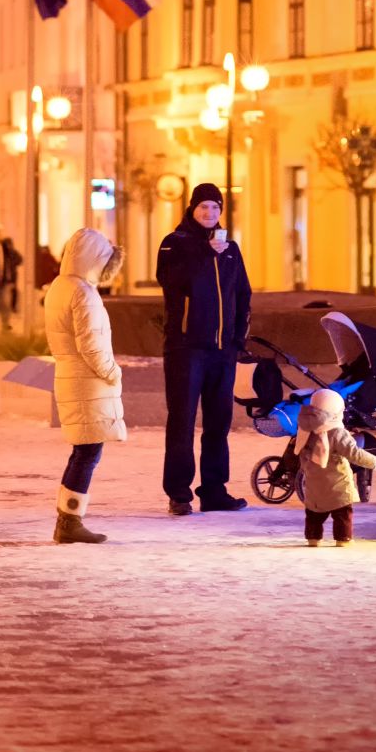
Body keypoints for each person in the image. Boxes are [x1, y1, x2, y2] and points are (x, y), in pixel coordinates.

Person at [156, 181, 251, 516]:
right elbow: (172, 283)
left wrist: (237, 339)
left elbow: (242, 295)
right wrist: (206, 253)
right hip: (186, 349)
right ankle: (179, 493)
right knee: (181, 421)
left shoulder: (231, 249)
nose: (210, 213)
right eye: (203, 207)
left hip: (222, 351)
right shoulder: (174, 244)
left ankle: (214, 490)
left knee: (218, 423)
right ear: (192, 210)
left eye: (215, 208)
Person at [41, 227, 126, 543]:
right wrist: (112, 372)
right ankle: (69, 521)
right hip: (88, 382)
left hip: (72, 378)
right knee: (88, 453)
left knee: (83, 451)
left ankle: (68, 519)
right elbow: (91, 345)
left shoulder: (60, 287)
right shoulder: (82, 293)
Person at [295, 386, 376, 548]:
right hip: (337, 482)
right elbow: (354, 453)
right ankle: (343, 538)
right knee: (343, 512)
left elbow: (298, 450)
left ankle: (313, 538)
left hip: (314, 482)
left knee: (314, 512)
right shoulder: (337, 433)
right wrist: (373, 461)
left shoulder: (306, 428)